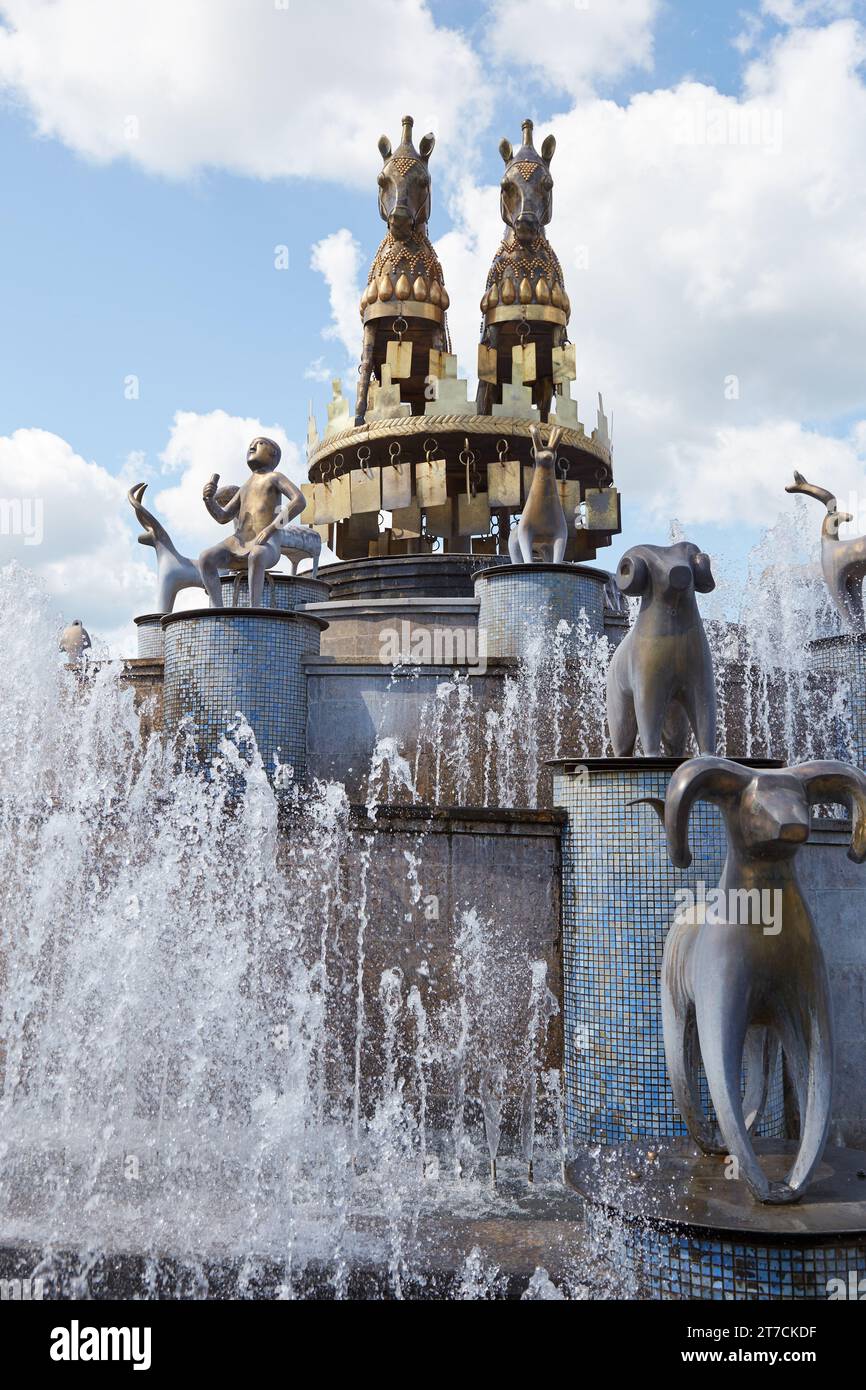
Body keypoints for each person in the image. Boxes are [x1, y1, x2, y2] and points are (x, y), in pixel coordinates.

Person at [198, 437, 305, 607]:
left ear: (273, 453)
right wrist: (208, 499)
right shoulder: (244, 487)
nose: (252, 446)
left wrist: (271, 528)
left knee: (257, 554)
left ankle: (254, 607)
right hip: (238, 543)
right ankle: (218, 608)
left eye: (260, 443)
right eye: (250, 445)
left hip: (267, 544)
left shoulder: (275, 477)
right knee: (206, 557)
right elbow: (223, 517)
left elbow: (299, 501)